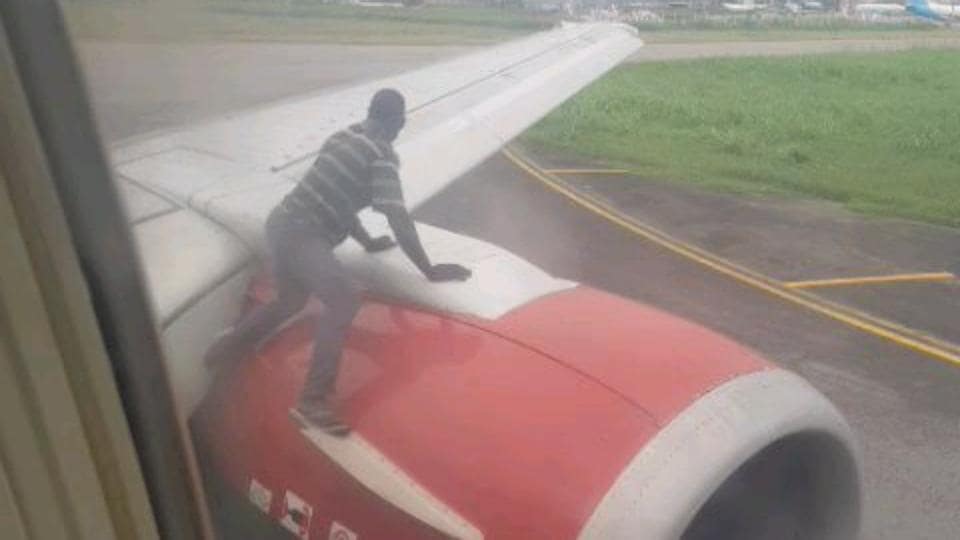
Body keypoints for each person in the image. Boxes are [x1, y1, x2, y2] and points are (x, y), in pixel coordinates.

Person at [204, 89, 471, 436]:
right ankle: (312, 402)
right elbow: (398, 217)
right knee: (344, 298)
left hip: (281, 223)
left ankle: (224, 349)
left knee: (290, 301)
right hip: (302, 234)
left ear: (370, 113)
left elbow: (338, 198)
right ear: (400, 122)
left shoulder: (344, 136)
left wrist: (368, 241)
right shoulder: (382, 156)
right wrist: (429, 269)